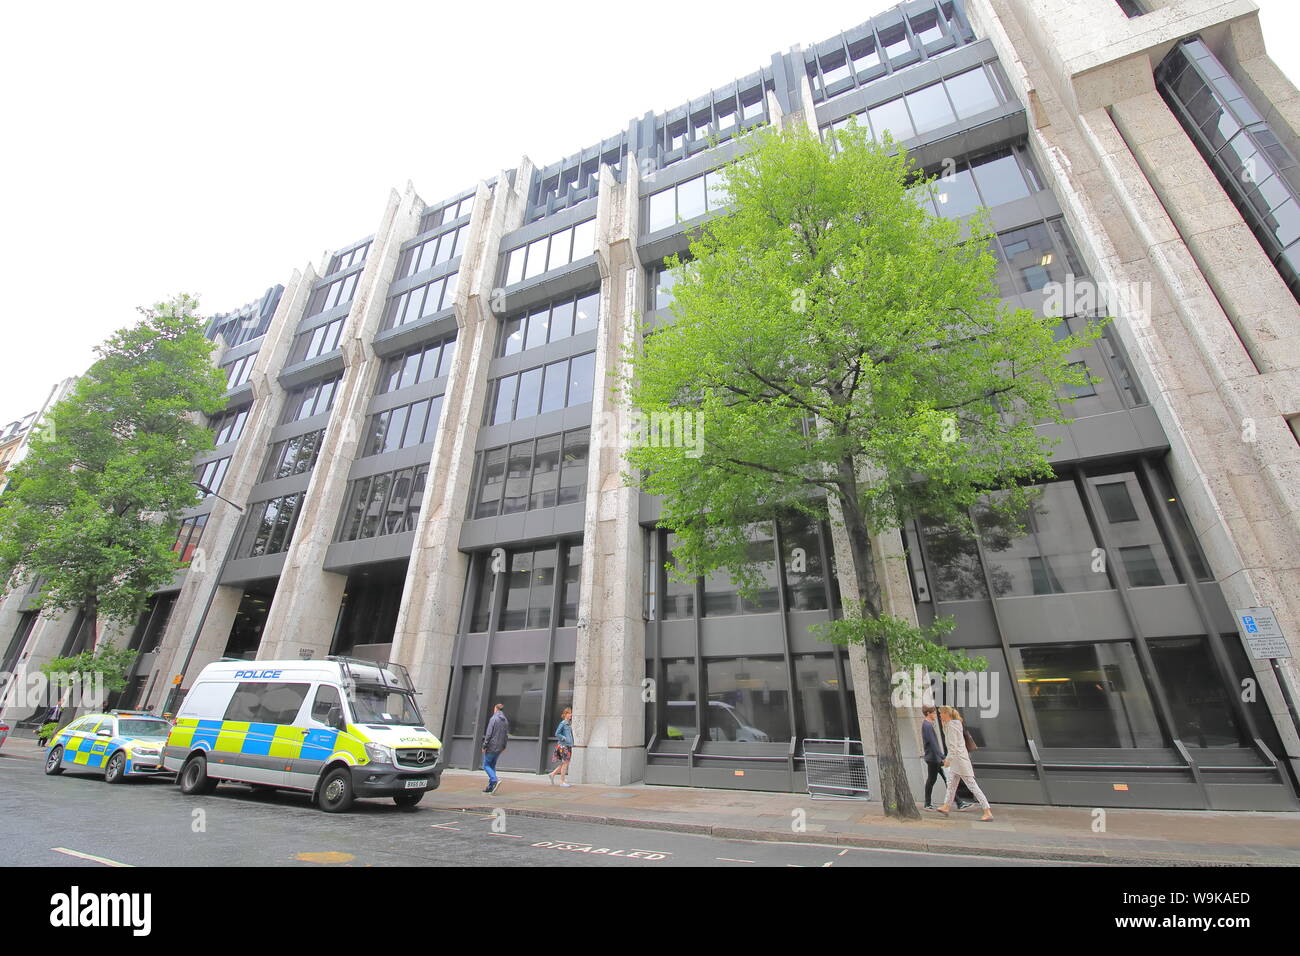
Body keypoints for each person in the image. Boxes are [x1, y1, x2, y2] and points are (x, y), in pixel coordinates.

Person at [936, 706, 993, 822]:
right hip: (958, 761)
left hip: (960, 761)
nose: (940, 716)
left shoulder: (951, 726)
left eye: (941, 714)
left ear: (947, 714)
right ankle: (946, 806)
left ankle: (987, 811)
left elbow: (953, 747)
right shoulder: (953, 724)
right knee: (952, 785)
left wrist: (947, 760)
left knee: (972, 786)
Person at [481, 703, 509, 794]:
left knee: (486, 765)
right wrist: (504, 746)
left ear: (496, 709)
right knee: (492, 766)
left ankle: (494, 780)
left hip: (491, 747)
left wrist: (484, 746)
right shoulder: (505, 720)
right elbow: (506, 735)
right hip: (499, 748)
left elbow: (489, 734)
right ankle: (490, 787)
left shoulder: (493, 719)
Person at [547, 707, 574, 787]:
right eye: (569, 713)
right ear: (565, 714)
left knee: (565, 763)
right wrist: (563, 738)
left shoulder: (568, 724)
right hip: (563, 746)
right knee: (565, 763)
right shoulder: (563, 723)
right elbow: (557, 733)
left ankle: (552, 774)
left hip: (568, 745)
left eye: (571, 713)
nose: (571, 715)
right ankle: (562, 782)